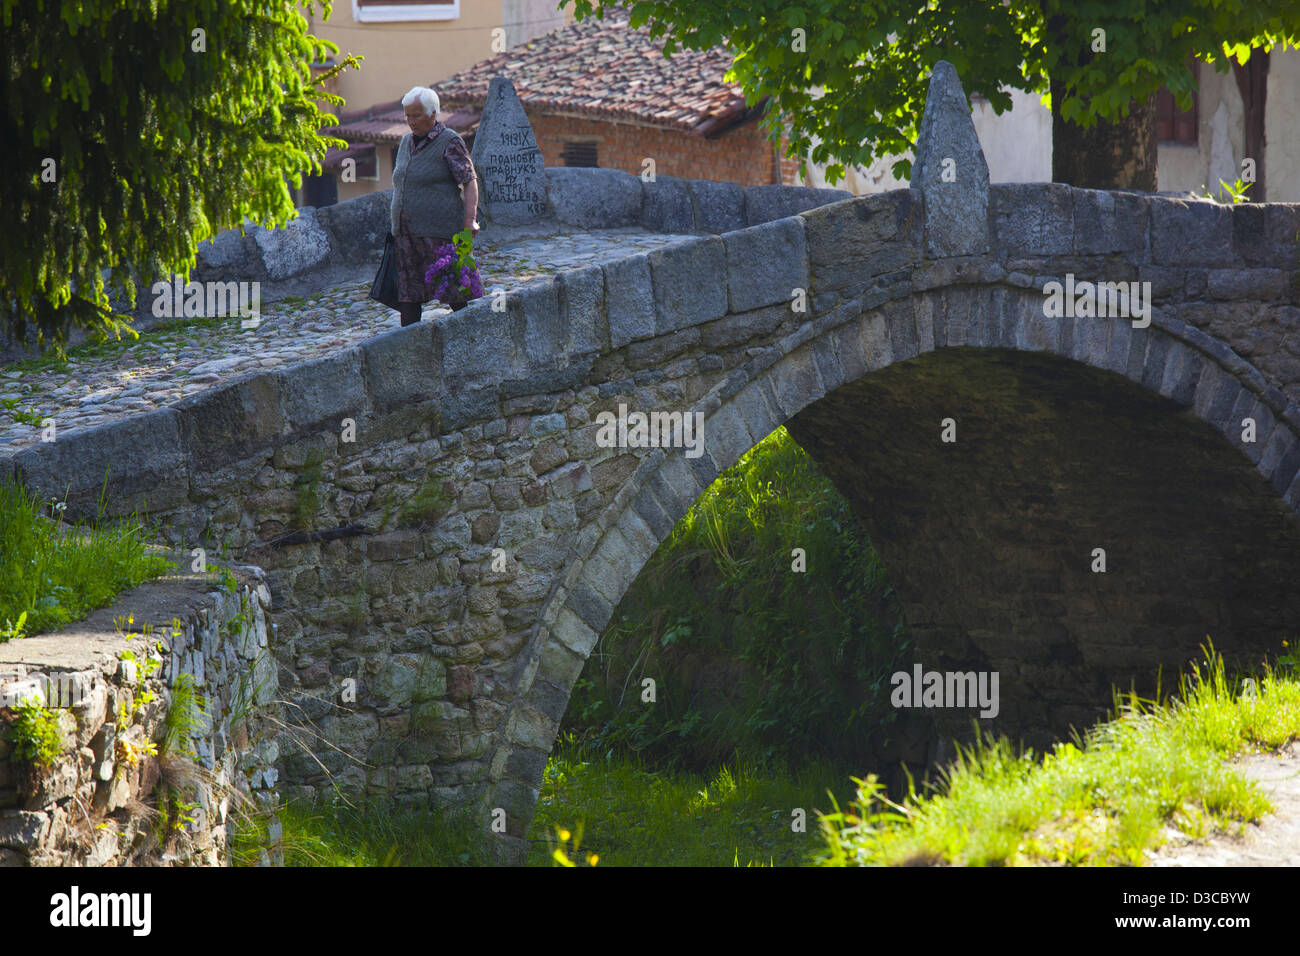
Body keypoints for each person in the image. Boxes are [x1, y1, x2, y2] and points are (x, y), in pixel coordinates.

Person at [391, 85, 481, 327]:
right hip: (406, 233)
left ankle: (470, 332)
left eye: (416, 115)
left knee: (453, 289)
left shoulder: (449, 141)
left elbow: (469, 181)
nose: (411, 121)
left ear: (433, 114)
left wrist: (470, 219)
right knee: (409, 294)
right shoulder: (405, 143)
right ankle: (408, 344)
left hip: (439, 232)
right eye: (407, 115)